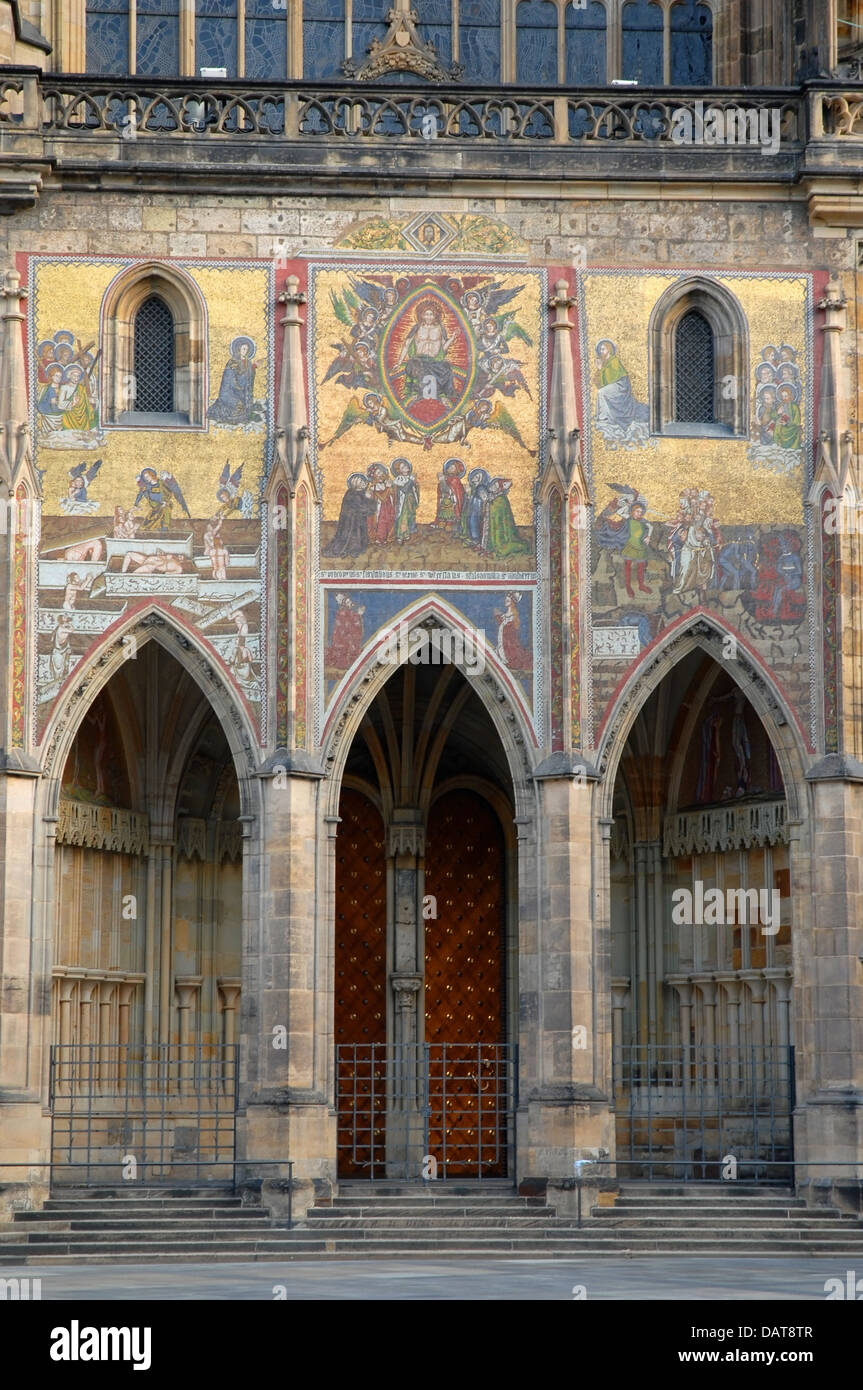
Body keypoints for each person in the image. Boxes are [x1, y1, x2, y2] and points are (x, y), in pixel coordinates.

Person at [593, 339, 650, 447]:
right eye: (600, 349)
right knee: (602, 392)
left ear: (609, 350)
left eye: (603, 349)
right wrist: (601, 369)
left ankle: (604, 417)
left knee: (602, 392)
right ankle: (606, 416)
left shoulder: (613, 361)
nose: (601, 351)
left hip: (620, 387)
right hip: (615, 385)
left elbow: (610, 380)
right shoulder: (606, 362)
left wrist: (600, 369)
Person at [323, 473, 377, 559]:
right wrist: (369, 499)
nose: (364, 484)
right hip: (351, 521)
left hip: (358, 519)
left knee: (360, 533)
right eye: (361, 482)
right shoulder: (352, 494)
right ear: (355, 483)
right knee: (353, 535)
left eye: (365, 482)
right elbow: (363, 507)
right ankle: (353, 550)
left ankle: (358, 548)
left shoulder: (360, 492)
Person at [208, 337, 257, 425]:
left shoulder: (248, 363)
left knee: (246, 408)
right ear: (238, 349)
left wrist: (253, 368)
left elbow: (248, 376)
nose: (245, 351)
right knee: (238, 407)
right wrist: (238, 387)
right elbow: (228, 379)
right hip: (230, 392)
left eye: (247, 349)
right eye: (243, 348)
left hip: (242, 392)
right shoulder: (232, 362)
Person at [487, 477, 529, 558]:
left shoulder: (501, 499)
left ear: (499, 488)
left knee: (502, 545)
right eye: (493, 485)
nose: (492, 487)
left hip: (502, 527)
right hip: (496, 524)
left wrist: (490, 505)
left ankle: (499, 547)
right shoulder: (494, 497)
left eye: (495, 486)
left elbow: (497, 510)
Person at [325, 594, 365, 669]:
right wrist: (358, 615)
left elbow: (354, 624)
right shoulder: (342, 612)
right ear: (344, 604)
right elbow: (344, 627)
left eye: (349, 601)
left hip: (347, 639)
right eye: (347, 602)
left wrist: (359, 615)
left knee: (352, 644)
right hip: (342, 641)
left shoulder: (350, 612)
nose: (350, 603)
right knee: (347, 649)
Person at [494, 592, 531, 670]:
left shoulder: (513, 615)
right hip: (503, 642)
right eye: (506, 600)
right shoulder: (505, 615)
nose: (505, 602)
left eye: (508, 601)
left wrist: (500, 619)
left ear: (512, 603)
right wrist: (498, 616)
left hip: (509, 645)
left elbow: (510, 631)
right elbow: (503, 624)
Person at [431, 458, 466, 531]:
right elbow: (441, 491)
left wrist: (442, 480)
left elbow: (447, 490)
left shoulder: (455, 480)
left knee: (450, 513)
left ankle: (450, 524)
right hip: (444, 500)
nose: (450, 469)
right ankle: (442, 522)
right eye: (449, 467)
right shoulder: (446, 478)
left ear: (456, 470)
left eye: (452, 468)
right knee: (443, 512)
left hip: (452, 502)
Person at [392, 458, 419, 543]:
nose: (406, 467)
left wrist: (415, 484)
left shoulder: (411, 477)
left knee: (409, 516)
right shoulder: (399, 479)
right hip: (403, 502)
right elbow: (404, 489)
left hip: (410, 500)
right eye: (403, 467)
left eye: (406, 466)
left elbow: (415, 490)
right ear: (399, 470)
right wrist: (411, 481)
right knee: (403, 518)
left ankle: (407, 533)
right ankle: (400, 535)